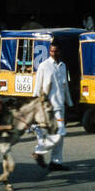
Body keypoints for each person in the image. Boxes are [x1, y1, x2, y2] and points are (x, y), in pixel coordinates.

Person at [31, 41, 72, 171]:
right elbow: (37, 88)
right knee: (51, 133)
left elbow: (65, 86)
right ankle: (39, 152)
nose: (53, 53)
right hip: (47, 109)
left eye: (56, 51)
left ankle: (56, 162)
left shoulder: (63, 66)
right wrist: (36, 106)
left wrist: (69, 102)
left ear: (60, 51)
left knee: (60, 136)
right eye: (51, 51)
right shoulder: (43, 66)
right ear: (49, 51)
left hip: (60, 107)